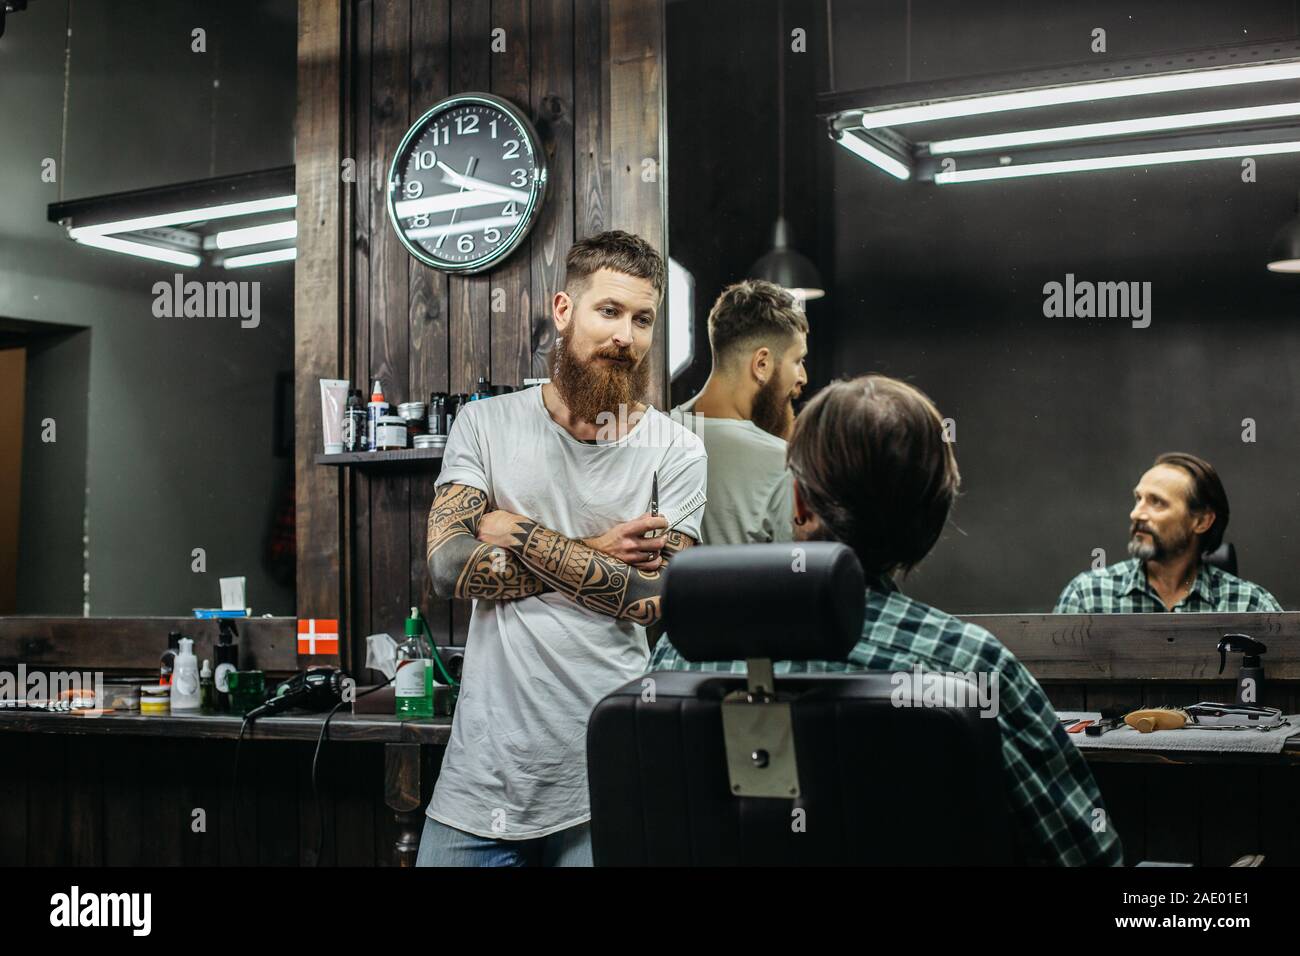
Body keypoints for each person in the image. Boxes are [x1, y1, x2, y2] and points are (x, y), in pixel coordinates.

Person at [650, 374, 1124, 866]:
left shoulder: (682, 654)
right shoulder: (969, 667)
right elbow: (1088, 856)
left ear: (799, 504)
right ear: (932, 520)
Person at [417, 230, 707, 866]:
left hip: (607, 780)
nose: (625, 337)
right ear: (564, 309)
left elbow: (651, 601)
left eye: (643, 319)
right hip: (483, 779)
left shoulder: (678, 450)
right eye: (609, 311)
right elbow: (445, 568)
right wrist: (598, 549)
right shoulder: (486, 424)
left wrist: (518, 531)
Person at [1054, 452, 1281, 613]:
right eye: (1138, 499)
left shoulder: (1248, 605)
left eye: (1157, 502)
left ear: (1201, 521)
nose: (1136, 514)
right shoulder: (1088, 597)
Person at [671, 279, 807, 544]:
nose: (803, 376)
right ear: (762, 363)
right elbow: (797, 575)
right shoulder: (783, 463)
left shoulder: (657, 434)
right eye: (798, 361)